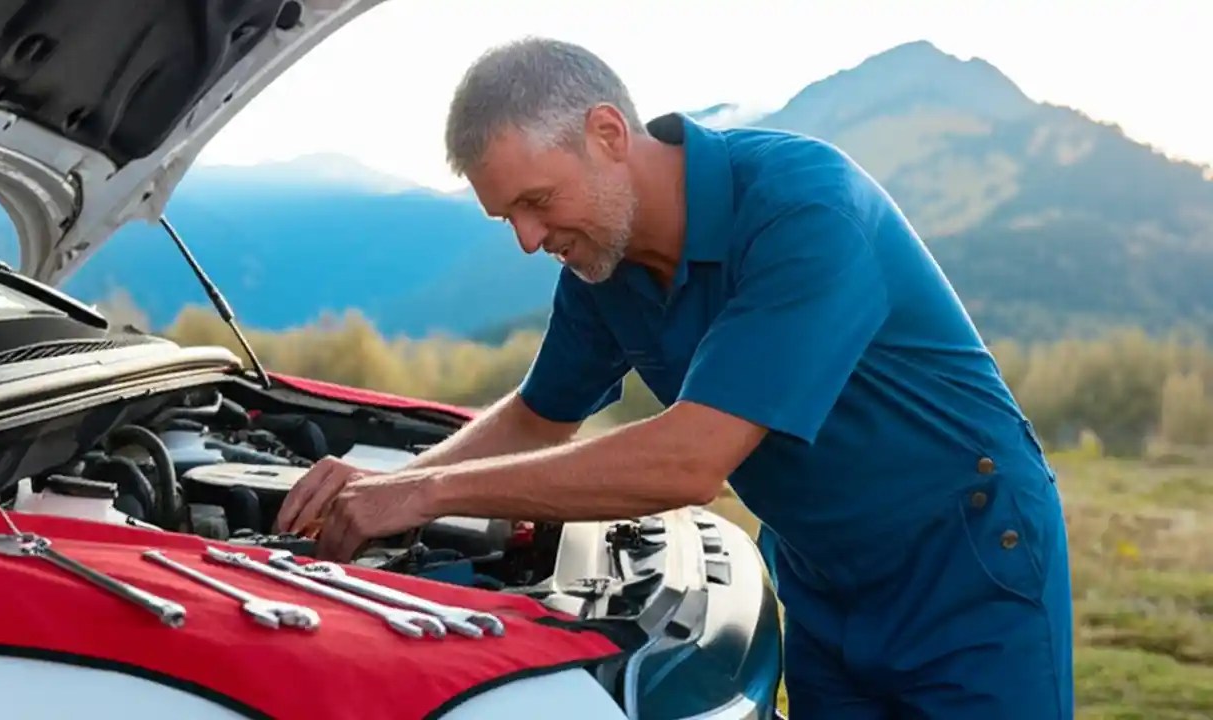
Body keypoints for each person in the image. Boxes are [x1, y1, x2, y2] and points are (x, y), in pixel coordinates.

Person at [276, 37, 1073, 719]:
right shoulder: (602, 265)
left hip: (966, 565)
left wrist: (425, 495)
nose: (526, 239)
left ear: (608, 132)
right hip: (824, 579)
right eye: (505, 216)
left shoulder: (805, 212)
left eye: (537, 201)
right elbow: (539, 416)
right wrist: (385, 485)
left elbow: (689, 461)